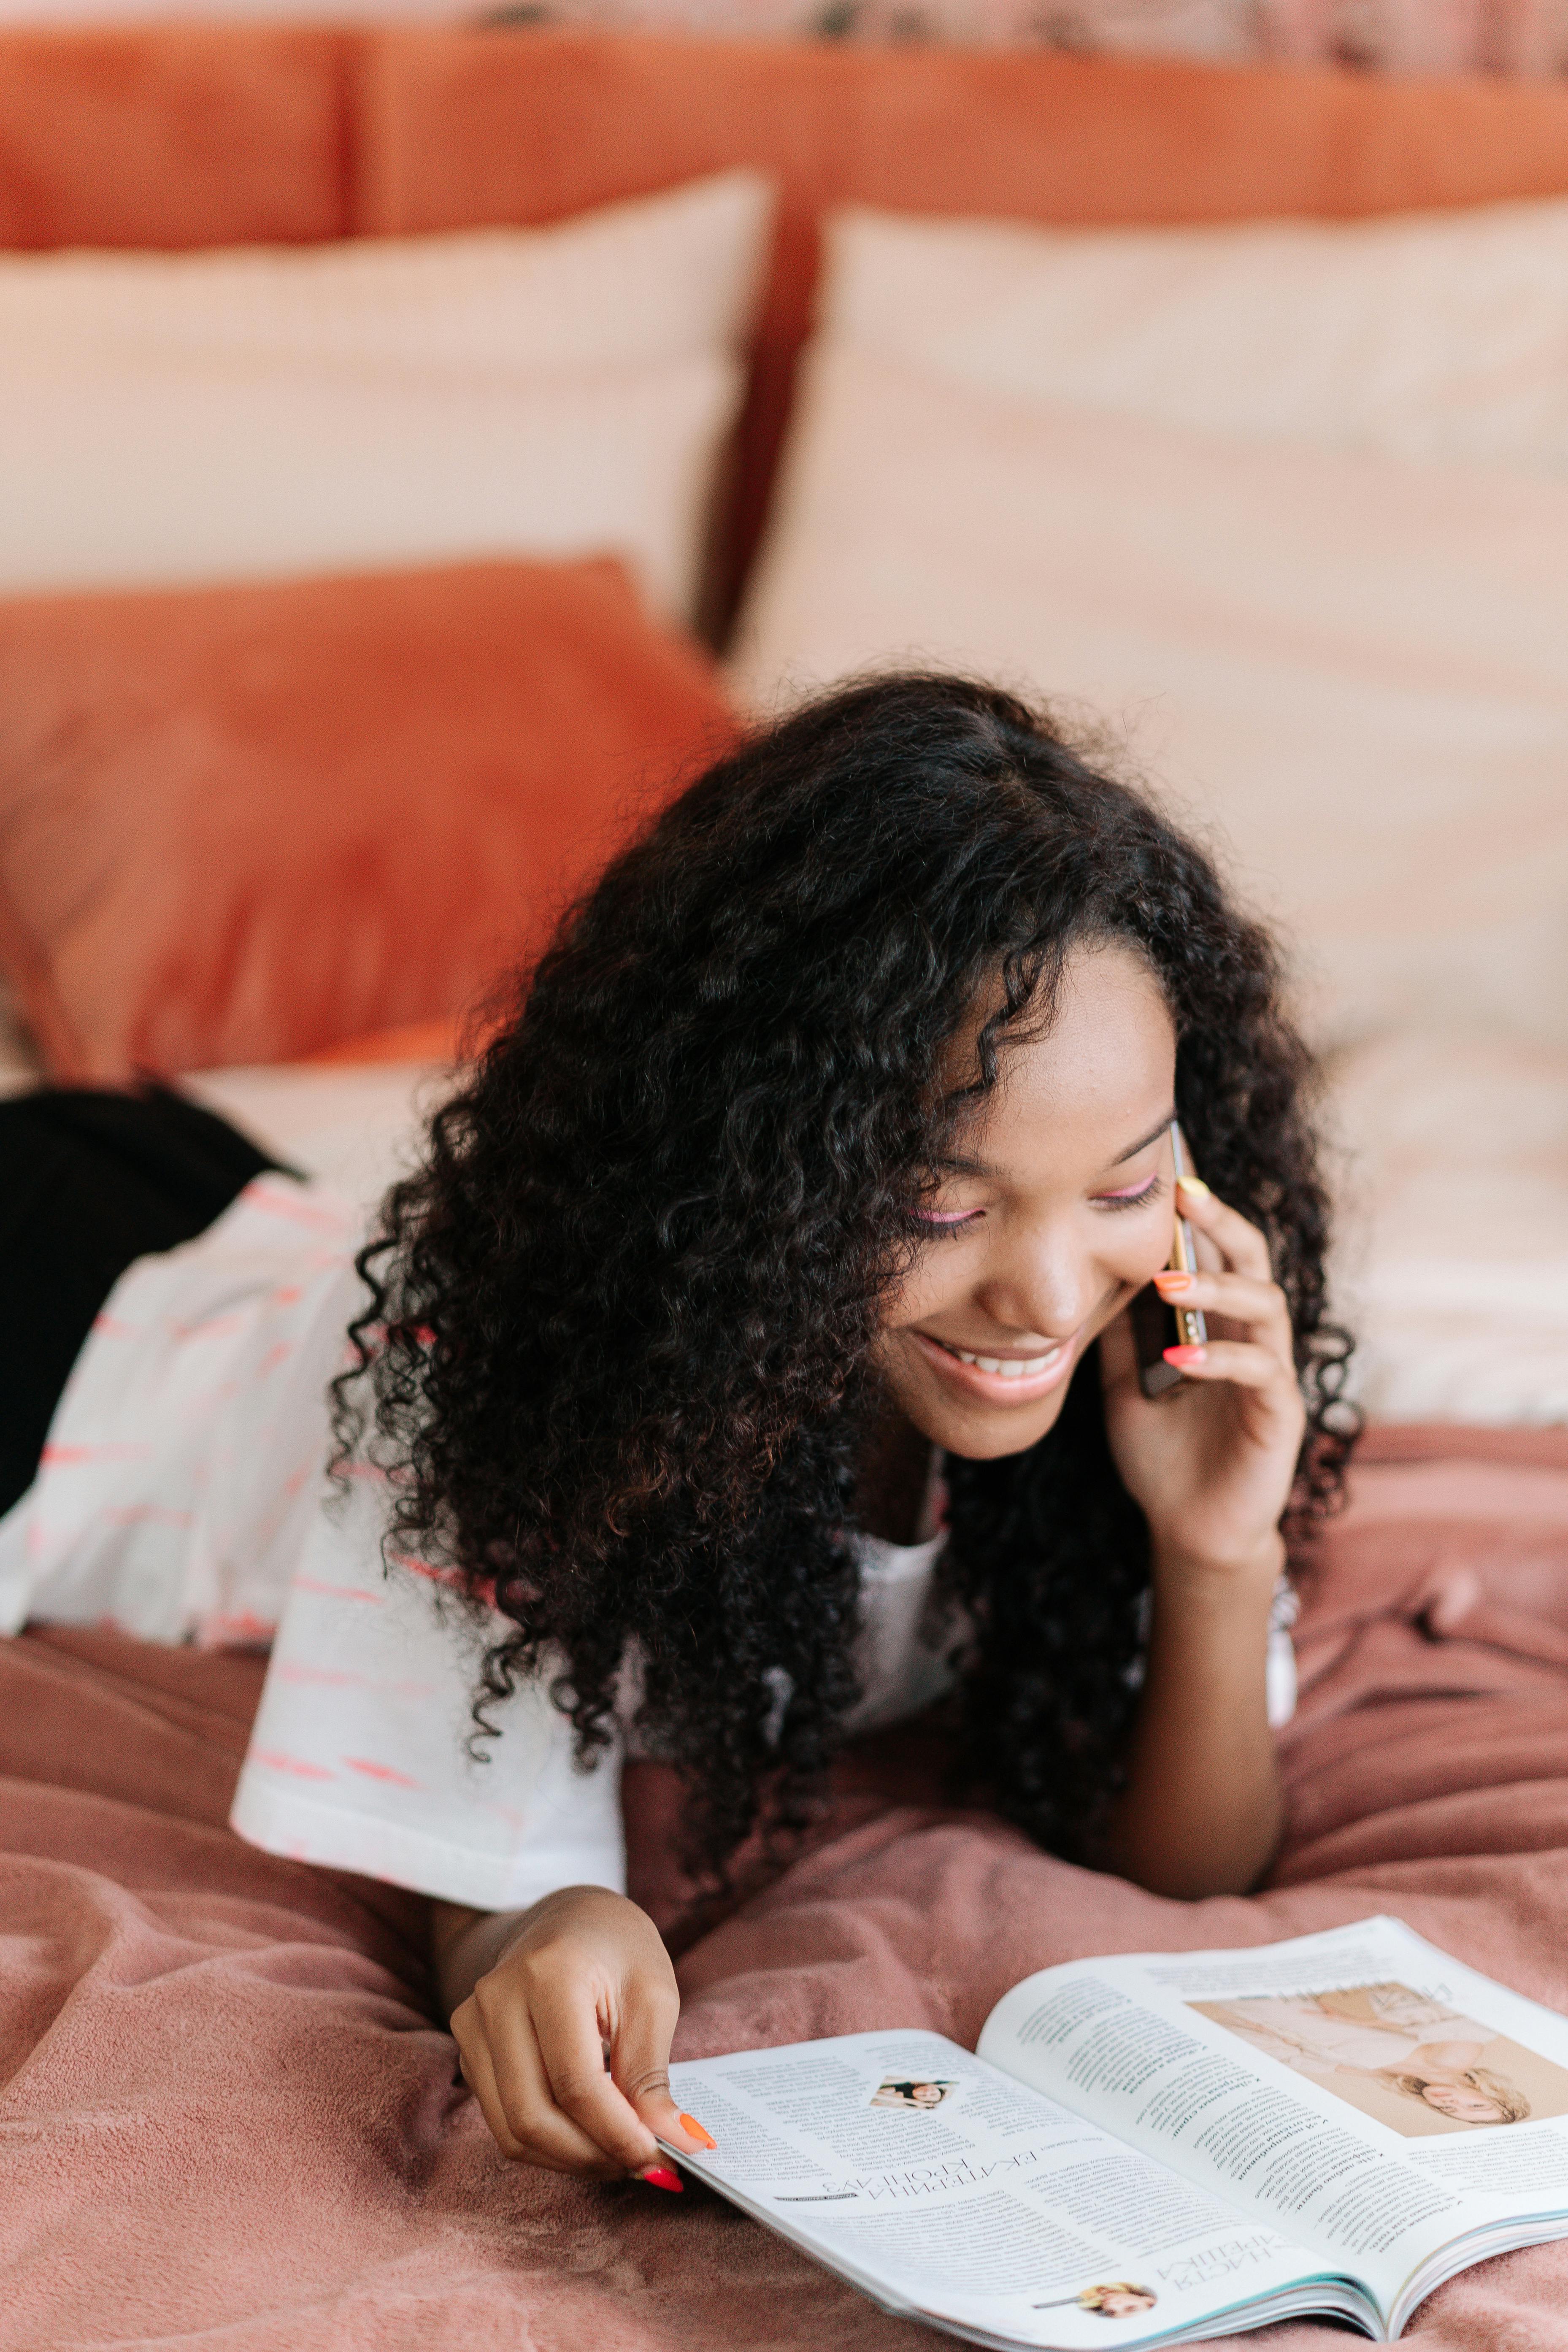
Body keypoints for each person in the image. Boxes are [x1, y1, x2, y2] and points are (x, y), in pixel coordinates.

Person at [0, 676, 1354, 2192]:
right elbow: (489, 1897)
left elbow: (1189, 1868)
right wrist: (555, 1919)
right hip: (62, 1339)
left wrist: (1214, 1547)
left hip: (233, 1222)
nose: (1045, 1292)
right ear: (765, 1168)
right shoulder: (513, 1369)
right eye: (934, 1202)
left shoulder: (1143, 1352)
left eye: (1120, 1185)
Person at [1205, 1990, 1530, 2126]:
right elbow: (1433, 2010)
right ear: (1489, 2092)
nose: (1453, 2105)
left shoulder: (1386, 2077)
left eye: (1454, 2112)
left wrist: (1259, 2035)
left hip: (1259, 2020)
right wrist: (1361, 2020)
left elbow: (1297, 2057)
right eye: (1475, 2106)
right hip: (1299, 2004)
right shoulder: (1458, 2057)